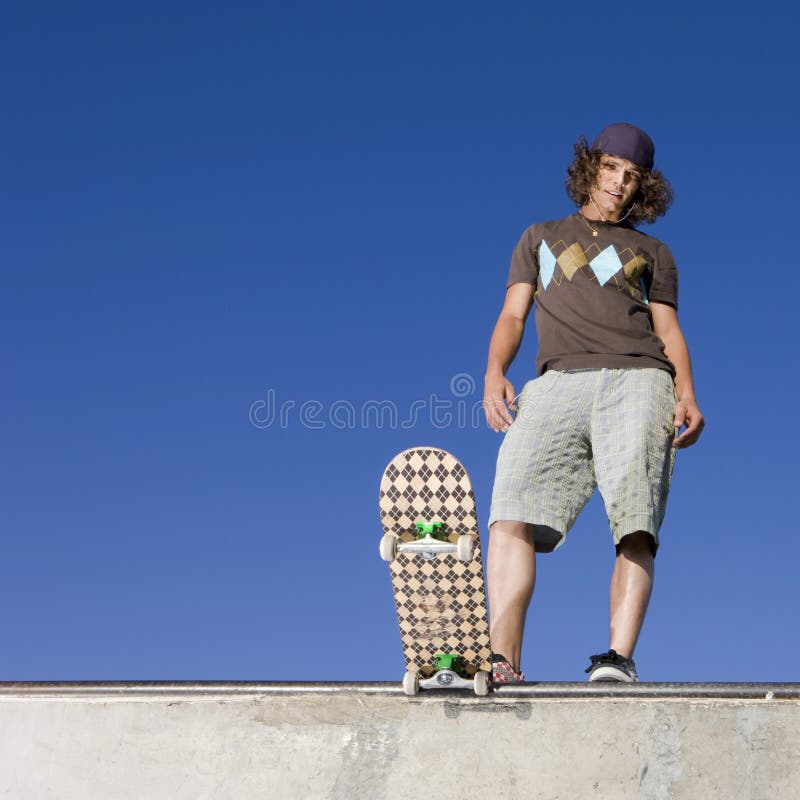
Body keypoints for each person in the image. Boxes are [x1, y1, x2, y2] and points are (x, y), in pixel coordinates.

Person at [482, 122, 704, 683]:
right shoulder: (539, 237)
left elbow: (669, 330)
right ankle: (502, 659)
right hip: (556, 383)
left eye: (632, 175)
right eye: (611, 168)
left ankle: (617, 659)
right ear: (591, 168)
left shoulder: (654, 252)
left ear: (642, 186)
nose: (619, 182)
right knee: (511, 506)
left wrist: (687, 393)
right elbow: (513, 315)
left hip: (639, 381)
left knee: (636, 520)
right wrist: (494, 372)